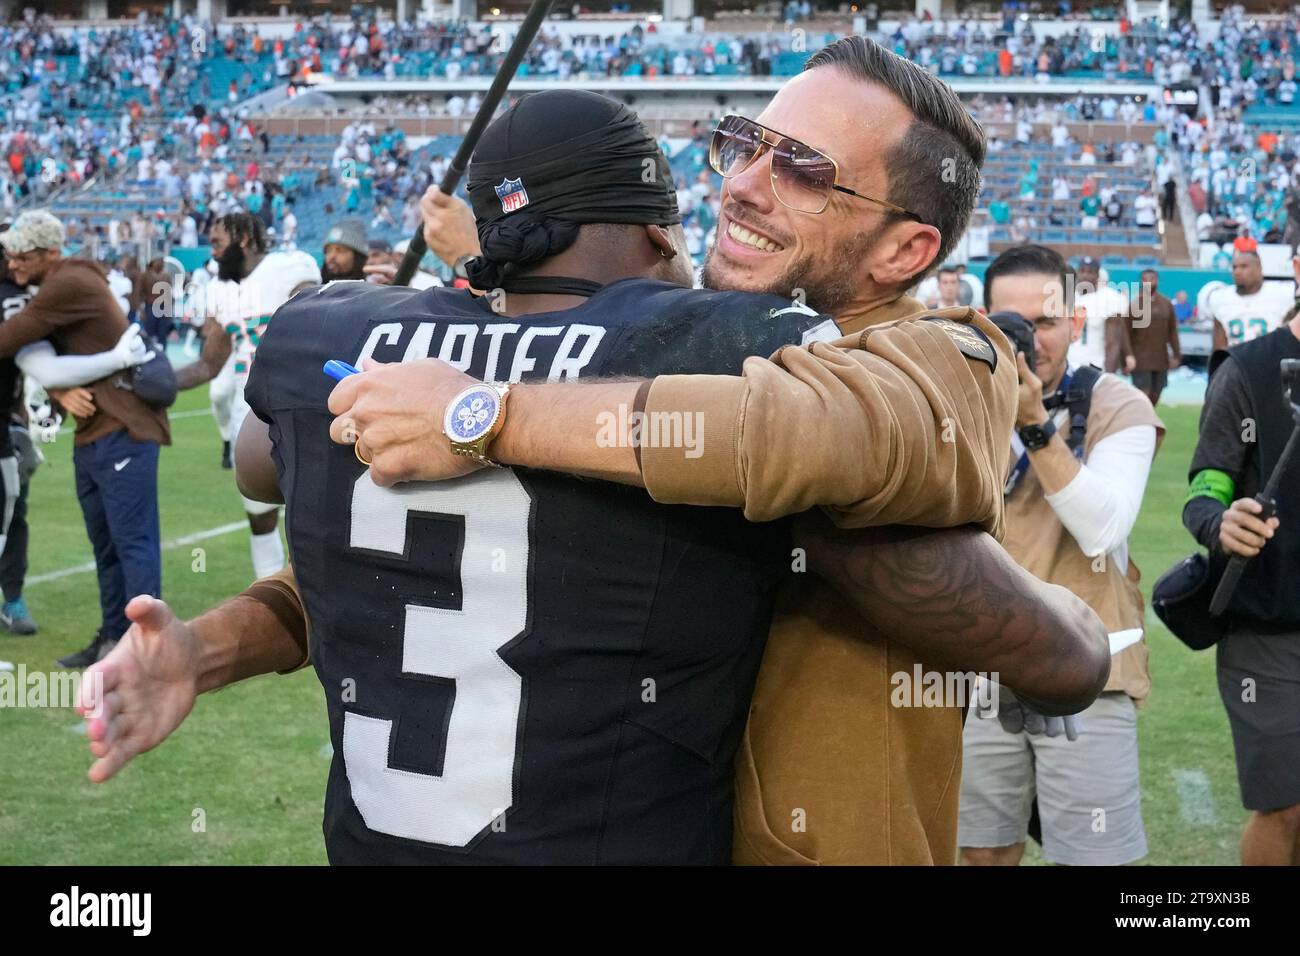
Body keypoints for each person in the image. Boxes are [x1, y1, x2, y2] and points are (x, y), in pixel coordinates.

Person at [79, 82, 1109, 865]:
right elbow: (453, 569)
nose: (741, 181)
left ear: (907, 248)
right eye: (744, 145)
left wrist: (485, 401)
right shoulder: (657, 371)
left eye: (801, 166)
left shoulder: (934, 358)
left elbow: (796, 429)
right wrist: (204, 650)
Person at [959, 245, 1164, 867]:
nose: (1031, 342)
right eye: (1012, 325)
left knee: (1094, 861)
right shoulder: (960, 406)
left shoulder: (1117, 405)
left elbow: (1102, 527)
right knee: (978, 855)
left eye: (1046, 323)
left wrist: (1034, 425)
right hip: (975, 673)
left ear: (1076, 322)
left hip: (1089, 670)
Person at [0, 211, 168, 668]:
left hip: (124, 426)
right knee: (108, 545)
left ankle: (145, 651)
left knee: (133, 542)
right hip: (96, 430)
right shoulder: (60, 280)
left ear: (49, 254)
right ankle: (112, 638)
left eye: (21, 255)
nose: (12, 263)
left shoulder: (66, 283)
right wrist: (56, 389)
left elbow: (9, 339)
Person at [1182, 286, 1300, 866]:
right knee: (1287, 806)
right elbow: (1206, 489)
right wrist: (1221, 524)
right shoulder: (1249, 370)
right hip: (1268, 631)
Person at [173, 214, 320, 580]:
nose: (213, 251)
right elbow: (208, 365)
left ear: (245, 239)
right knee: (258, 512)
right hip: (249, 416)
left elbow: (316, 315)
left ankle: (313, 598)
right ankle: (270, 597)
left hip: (298, 406)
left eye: (218, 242)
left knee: (310, 513)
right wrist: (152, 383)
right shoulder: (220, 290)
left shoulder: (289, 267)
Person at [1199, 248, 1294, 350]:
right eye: (1234, 267)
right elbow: (1219, 349)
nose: (1237, 272)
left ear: (1259, 268)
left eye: (1244, 266)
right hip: (1236, 363)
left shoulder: (1282, 293)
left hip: (1272, 361)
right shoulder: (1221, 299)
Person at [1071, 255, 1135, 374]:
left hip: (1095, 365)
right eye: (1082, 271)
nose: (1085, 275)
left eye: (1090, 272)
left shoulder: (1110, 298)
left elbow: (1113, 343)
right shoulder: (1067, 296)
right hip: (1069, 363)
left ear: (1097, 275)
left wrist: (1108, 375)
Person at [1128, 268, 1181, 406]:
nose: (1149, 282)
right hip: (1140, 359)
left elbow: (1173, 331)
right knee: (1142, 396)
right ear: (1141, 282)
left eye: (1152, 279)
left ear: (1157, 281)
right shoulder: (1134, 305)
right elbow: (1126, 334)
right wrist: (1127, 356)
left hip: (1160, 359)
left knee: (1156, 394)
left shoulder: (1166, 304)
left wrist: (1176, 355)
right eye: (1145, 279)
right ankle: (1142, 424)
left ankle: (1149, 424)